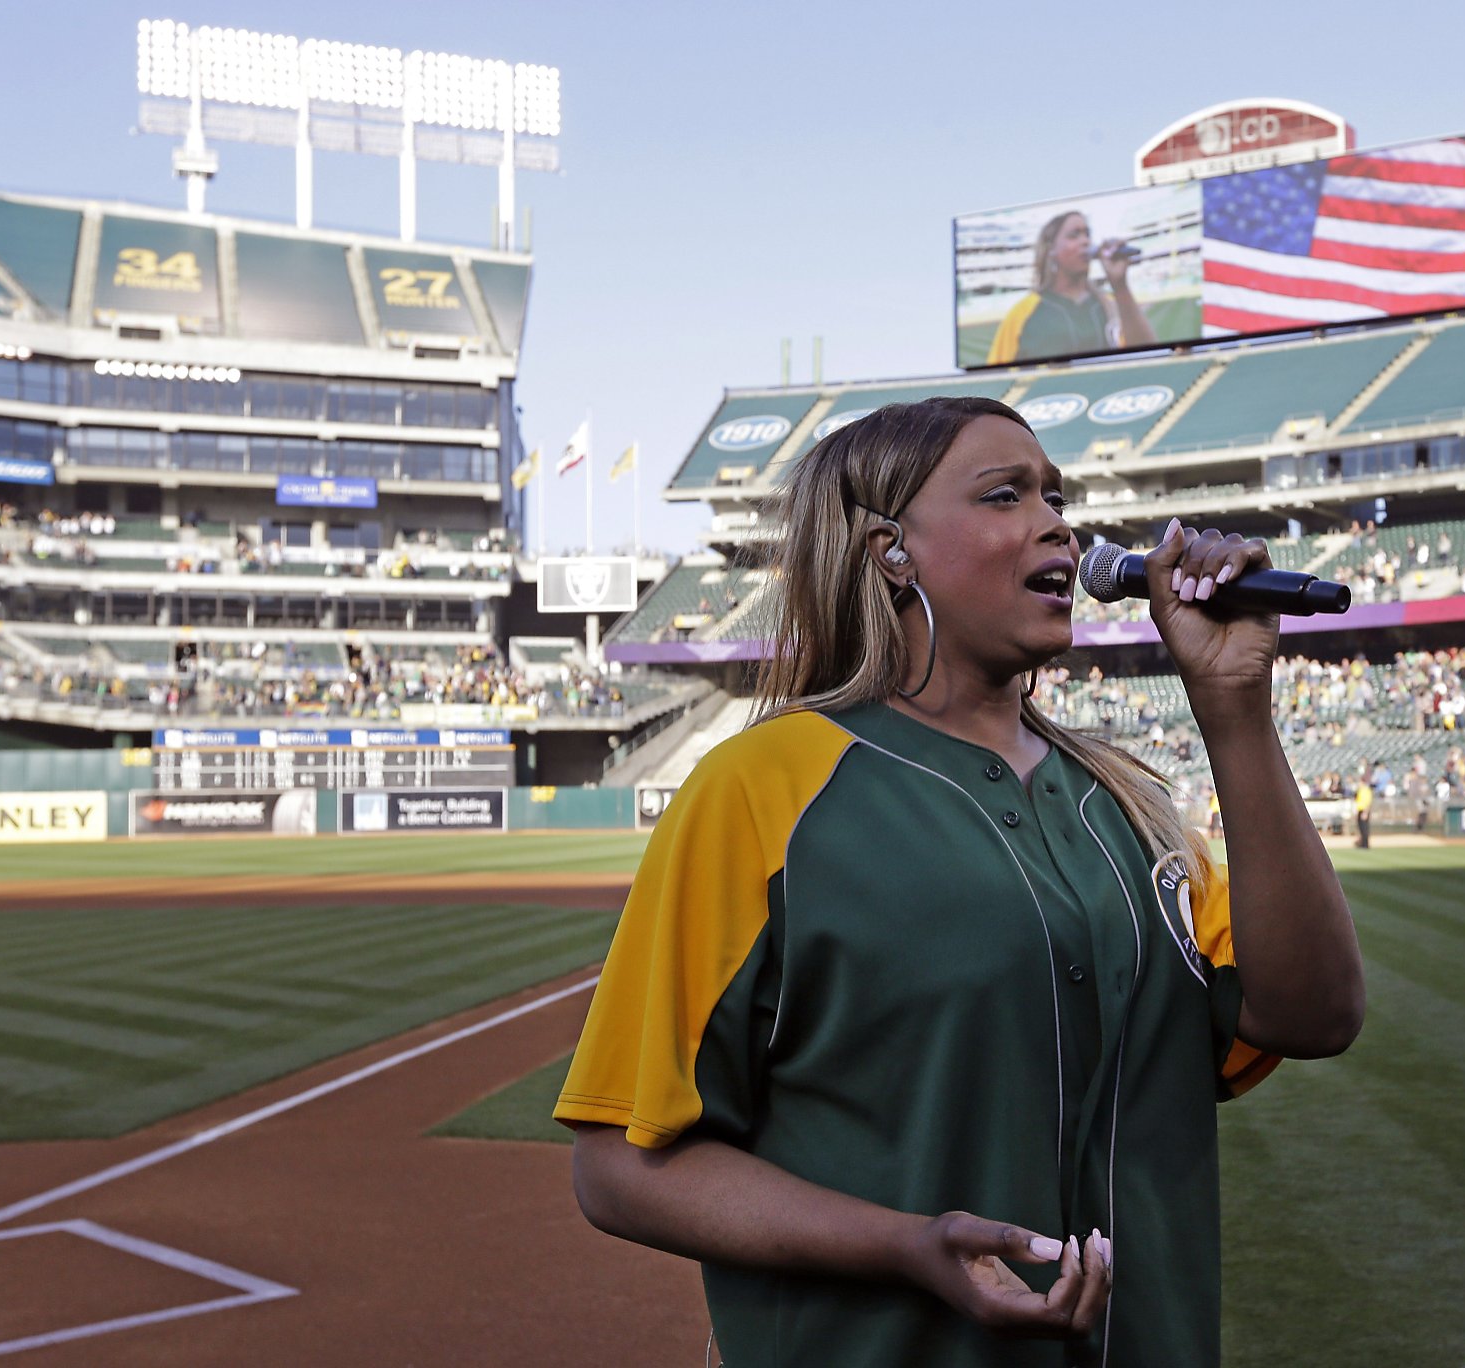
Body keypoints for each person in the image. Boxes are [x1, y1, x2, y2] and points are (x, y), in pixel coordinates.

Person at [555, 398, 1363, 1367]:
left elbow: (1316, 1014)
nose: (1056, 521)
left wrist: (1232, 707)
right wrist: (905, 1248)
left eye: (1054, 496)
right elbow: (618, 1169)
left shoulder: (1129, 807)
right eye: (1003, 494)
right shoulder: (759, 791)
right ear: (890, 551)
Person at [985, 210, 1158, 365]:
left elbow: (1148, 355)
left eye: (1087, 234)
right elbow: (993, 373)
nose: (1085, 241)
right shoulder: (1023, 313)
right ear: (1051, 249)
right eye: (1074, 235)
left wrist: (1120, 285)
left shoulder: (1112, 304)